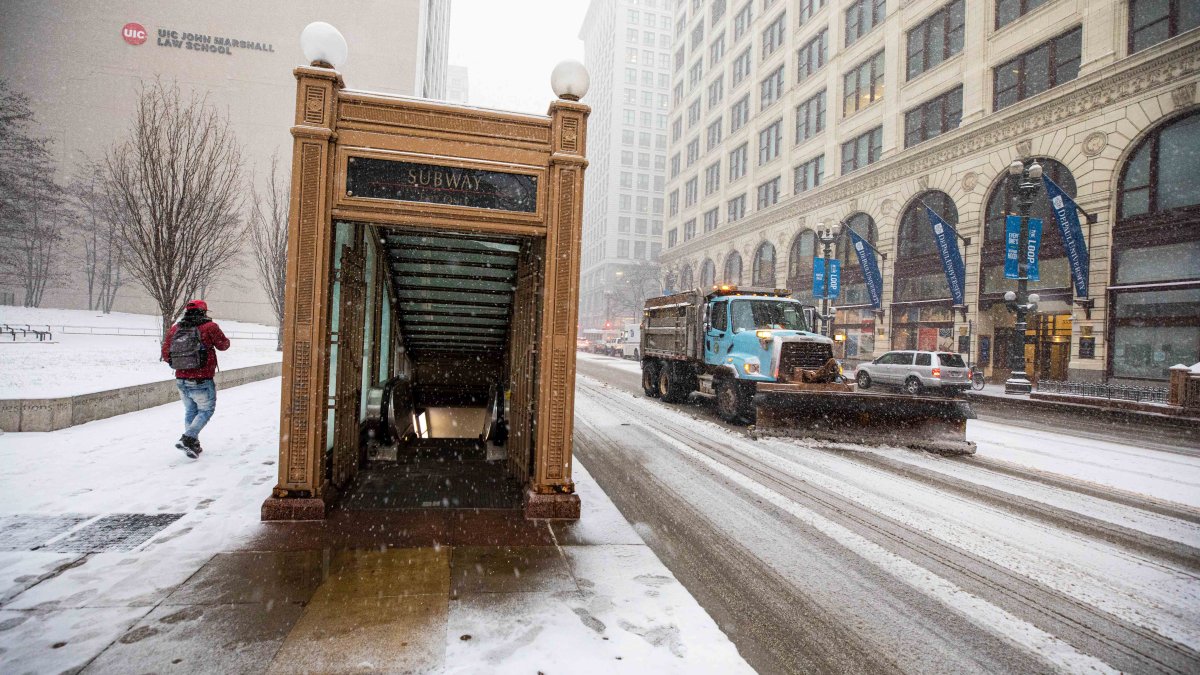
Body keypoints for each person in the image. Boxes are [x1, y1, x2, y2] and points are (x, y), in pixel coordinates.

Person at [161, 300, 230, 458]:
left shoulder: (175, 329)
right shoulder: (209, 327)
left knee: (191, 410)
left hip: (181, 379)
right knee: (206, 410)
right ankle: (188, 438)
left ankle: (194, 445)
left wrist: (181, 363)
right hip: (202, 378)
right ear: (204, 311)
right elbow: (224, 345)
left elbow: (166, 353)